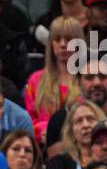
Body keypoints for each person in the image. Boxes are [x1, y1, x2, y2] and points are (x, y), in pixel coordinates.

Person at [23, 16, 83, 144]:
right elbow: (28, 119)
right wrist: (44, 130)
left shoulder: (90, 78)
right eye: (57, 39)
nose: (62, 44)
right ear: (51, 44)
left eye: (68, 40)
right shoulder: (35, 80)